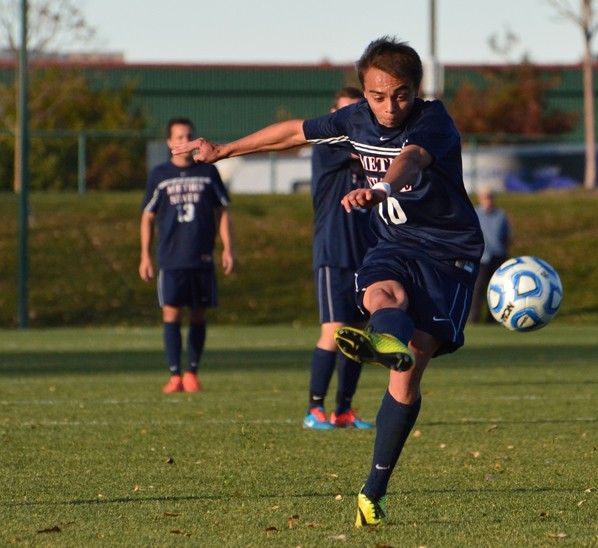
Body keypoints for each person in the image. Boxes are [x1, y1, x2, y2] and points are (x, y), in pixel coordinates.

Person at [172, 36, 483, 527]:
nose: (388, 106)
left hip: (449, 255)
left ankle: (372, 490)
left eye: (400, 94)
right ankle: (385, 337)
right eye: (378, 96)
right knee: (380, 293)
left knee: (410, 374)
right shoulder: (353, 118)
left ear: (416, 90)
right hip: (394, 245)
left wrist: (379, 187)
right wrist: (224, 150)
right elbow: (292, 133)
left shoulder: (432, 120)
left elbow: (411, 161)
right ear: (364, 92)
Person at [140, 117, 234, 394]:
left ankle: (192, 372)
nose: (184, 141)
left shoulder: (208, 172)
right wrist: (145, 255)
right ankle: (174, 375)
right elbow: (147, 215)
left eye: (188, 136)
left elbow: (223, 210)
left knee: (198, 315)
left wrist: (228, 247)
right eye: (179, 137)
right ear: (169, 142)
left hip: (201, 255)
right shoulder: (159, 174)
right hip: (170, 257)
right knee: (170, 314)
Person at [303, 86, 377, 430]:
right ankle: (313, 409)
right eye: (343, 113)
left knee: (357, 335)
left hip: (367, 253)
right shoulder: (327, 146)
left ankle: (343, 410)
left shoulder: (368, 149)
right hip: (334, 251)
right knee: (334, 331)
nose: (351, 119)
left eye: (356, 111)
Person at [468, 186, 512, 324]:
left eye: (491, 197)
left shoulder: (501, 215)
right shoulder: (474, 213)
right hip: (481, 258)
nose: (489, 200)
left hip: (498, 256)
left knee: (497, 290)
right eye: (486, 198)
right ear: (480, 199)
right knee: (478, 289)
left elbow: (507, 236)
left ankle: (493, 318)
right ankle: (473, 318)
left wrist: (505, 252)